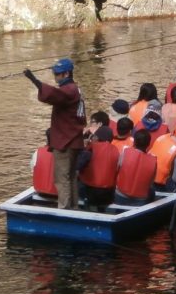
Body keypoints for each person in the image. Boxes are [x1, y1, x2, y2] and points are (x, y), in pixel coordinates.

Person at [24, 58, 86, 209]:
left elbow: (53, 95)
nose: (55, 77)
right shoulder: (74, 89)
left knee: (62, 178)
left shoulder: (69, 90)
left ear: (66, 74)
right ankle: (73, 208)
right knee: (70, 177)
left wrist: (34, 80)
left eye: (57, 74)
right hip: (74, 140)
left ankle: (64, 209)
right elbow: (56, 94)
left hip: (66, 142)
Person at [77, 126, 118, 212]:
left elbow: (77, 165)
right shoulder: (116, 150)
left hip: (90, 191)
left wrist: (82, 147)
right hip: (108, 193)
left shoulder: (91, 148)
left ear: (97, 137)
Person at [114, 129, 157, 205]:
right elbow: (151, 182)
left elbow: (116, 169)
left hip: (120, 195)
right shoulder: (153, 160)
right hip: (140, 199)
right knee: (152, 190)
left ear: (134, 142)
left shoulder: (125, 152)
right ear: (148, 144)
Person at [31, 131, 58, 197]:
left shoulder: (38, 152)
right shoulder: (66, 152)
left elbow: (32, 170)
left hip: (40, 192)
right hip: (59, 193)